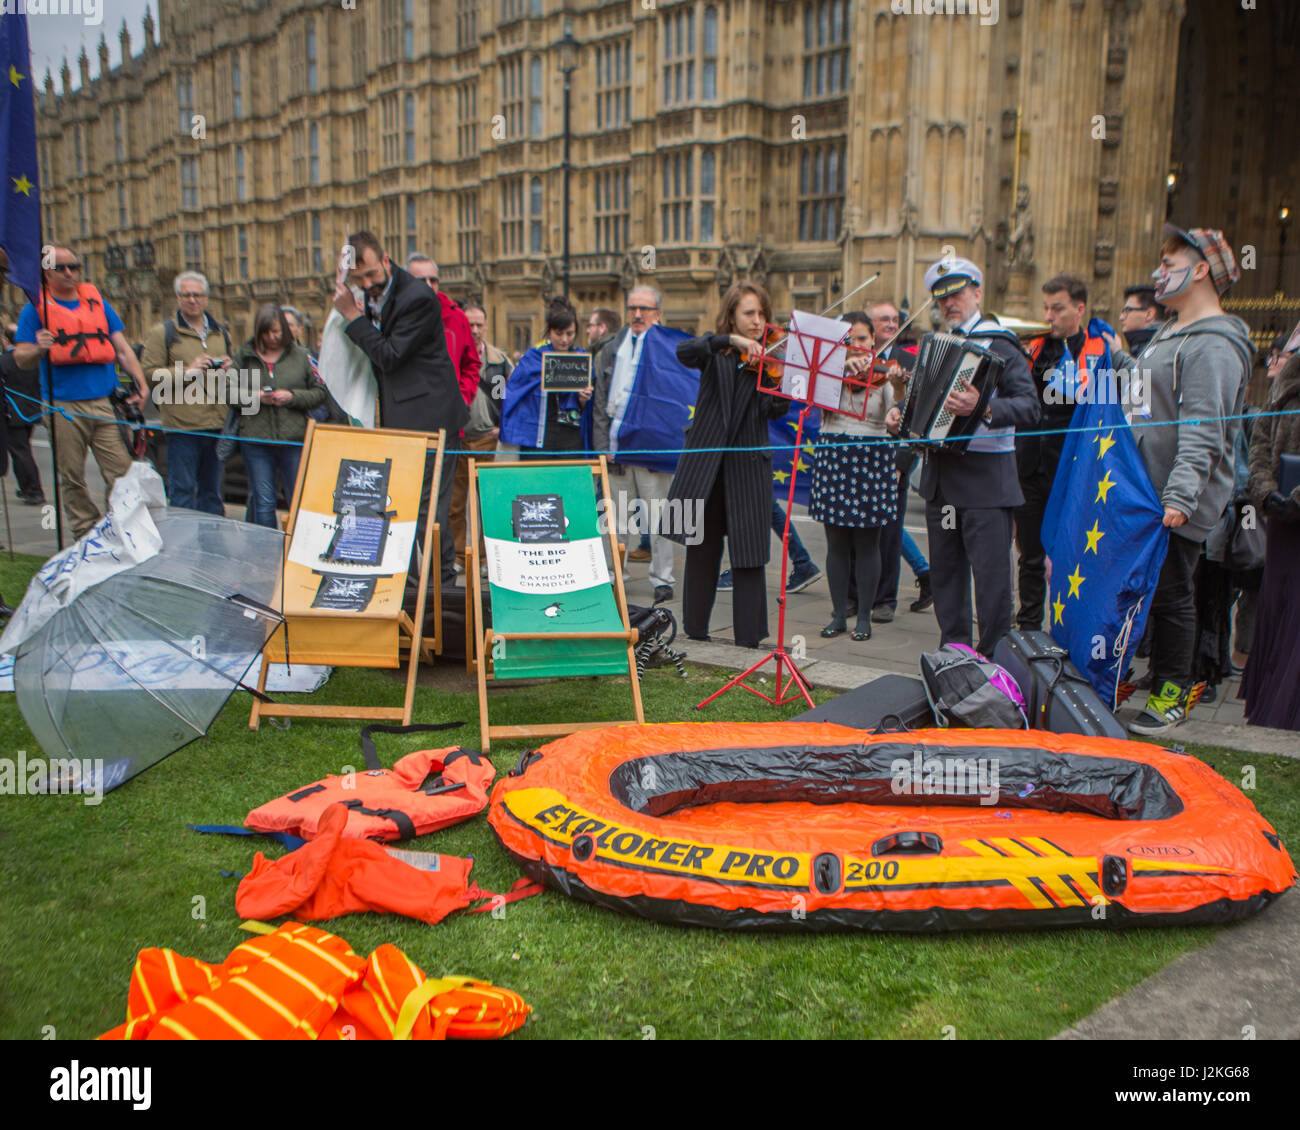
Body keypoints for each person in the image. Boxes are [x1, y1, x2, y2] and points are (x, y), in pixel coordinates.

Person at [1107, 225, 1254, 735]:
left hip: (1170, 501)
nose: (1156, 274)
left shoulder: (1214, 345)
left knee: (1172, 596)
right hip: (1142, 493)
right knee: (1145, 594)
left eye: (1168, 264)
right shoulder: (1172, 335)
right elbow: (1150, 406)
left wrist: (1180, 499)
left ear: (1200, 271)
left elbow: (1203, 431)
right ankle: (1145, 678)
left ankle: (1173, 693)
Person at [895, 257, 1039, 658]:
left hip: (985, 482)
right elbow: (923, 407)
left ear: (977, 293)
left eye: (957, 294)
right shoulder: (940, 344)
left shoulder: (1001, 342)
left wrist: (984, 407)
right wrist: (902, 414)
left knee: (992, 583)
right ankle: (954, 658)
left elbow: (1029, 407)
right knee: (947, 577)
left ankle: (993, 661)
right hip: (942, 482)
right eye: (941, 299)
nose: (949, 304)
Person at [333, 232, 467, 585]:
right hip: (400, 417)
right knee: (402, 505)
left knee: (429, 509)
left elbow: (390, 356)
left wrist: (352, 316)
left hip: (430, 415)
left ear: (387, 261)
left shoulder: (418, 297)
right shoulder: (375, 295)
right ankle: (407, 584)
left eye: (372, 275)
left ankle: (443, 585)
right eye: (358, 279)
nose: (366, 284)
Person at [665, 281, 790, 647]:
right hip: (706, 468)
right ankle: (696, 629)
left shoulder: (770, 360)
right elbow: (683, 351)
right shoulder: (715, 353)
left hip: (747, 466)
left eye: (761, 313)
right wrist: (731, 342)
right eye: (748, 313)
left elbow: (773, 412)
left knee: (749, 553)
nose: (756, 320)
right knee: (701, 548)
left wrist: (781, 385)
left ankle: (750, 637)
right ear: (732, 316)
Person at [11, 242, 148, 538]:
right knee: (72, 477)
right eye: (61, 268)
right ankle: (86, 533)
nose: (70, 273)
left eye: (75, 267)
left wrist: (139, 381)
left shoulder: (97, 303)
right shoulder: (34, 310)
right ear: (46, 273)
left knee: (122, 472)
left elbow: (121, 348)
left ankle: (124, 530)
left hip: (104, 403)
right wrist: (39, 348)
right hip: (63, 407)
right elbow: (21, 358)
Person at [1015, 274, 1111, 632]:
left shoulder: (1100, 349)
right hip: (1029, 466)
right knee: (1029, 556)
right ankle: (1027, 626)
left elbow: (1112, 405)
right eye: (1046, 308)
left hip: (1072, 470)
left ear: (1079, 308)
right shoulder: (1034, 347)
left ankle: (1070, 627)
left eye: (1057, 308)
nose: (1049, 316)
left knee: (1071, 554)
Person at [809, 311, 897, 641]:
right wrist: (838, 369)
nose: (856, 346)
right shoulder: (828, 375)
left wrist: (898, 384)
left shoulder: (884, 376)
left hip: (872, 455)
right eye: (848, 341)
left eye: (862, 338)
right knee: (836, 543)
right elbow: (811, 397)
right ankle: (838, 614)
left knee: (867, 543)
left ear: (873, 340)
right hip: (834, 453)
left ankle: (864, 617)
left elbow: (897, 419)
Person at [592, 286, 681, 603]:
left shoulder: (669, 349)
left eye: (644, 309)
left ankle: (662, 576)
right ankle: (614, 573)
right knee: (613, 516)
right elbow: (600, 402)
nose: (637, 315)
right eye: (632, 308)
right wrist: (602, 444)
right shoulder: (610, 348)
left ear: (658, 313)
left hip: (652, 445)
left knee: (659, 514)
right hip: (617, 441)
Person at [408, 255, 482, 570]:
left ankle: (441, 569)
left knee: (444, 502)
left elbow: (471, 364)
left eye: (433, 280)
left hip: (449, 425)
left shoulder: (456, 318)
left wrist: (462, 399)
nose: (428, 286)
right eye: (420, 280)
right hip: (410, 424)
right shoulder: (398, 317)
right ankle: (413, 569)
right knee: (412, 502)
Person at [140, 272, 232, 515]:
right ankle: (183, 547)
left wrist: (229, 368)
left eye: (197, 295)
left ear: (206, 298)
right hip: (183, 426)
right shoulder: (163, 332)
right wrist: (188, 371)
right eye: (186, 295)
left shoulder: (221, 333)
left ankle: (211, 546)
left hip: (215, 424)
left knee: (212, 493)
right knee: (182, 491)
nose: (192, 300)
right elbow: (149, 374)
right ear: (178, 299)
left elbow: (235, 376)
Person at [1241, 352, 1300, 729]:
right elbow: (1261, 441)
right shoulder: (1287, 378)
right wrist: (1266, 492)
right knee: (1279, 607)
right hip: (1281, 521)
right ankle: (1269, 703)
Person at [866, 298, 929, 622]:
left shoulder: (906, 359)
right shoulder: (860, 358)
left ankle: (885, 599)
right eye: (884, 319)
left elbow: (916, 410)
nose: (892, 324)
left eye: (895, 319)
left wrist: (905, 459)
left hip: (895, 453)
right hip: (863, 453)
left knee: (890, 529)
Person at [232, 304, 323, 528]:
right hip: (256, 440)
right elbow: (228, 392)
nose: (273, 337)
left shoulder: (301, 356)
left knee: (298, 500)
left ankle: (297, 551)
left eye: (278, 331)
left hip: (293, 440)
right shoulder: (245, 356)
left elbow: (320, 392)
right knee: (264, 502)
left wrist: (292, 397)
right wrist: (256, 397)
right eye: (267, 332)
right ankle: (266, 554)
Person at [499, 298, 592, 460]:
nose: (564, 340)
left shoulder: (582, 358)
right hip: (537, 438)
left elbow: (588, 407)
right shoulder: (532, 358)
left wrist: (583, 399)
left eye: (570, 334)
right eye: (559, 334)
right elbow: (512, 394)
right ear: (549, 332)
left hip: (570, 436)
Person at [451, 302, 510, 558]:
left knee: (489, 504)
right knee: (455, 504)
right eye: (469, 324)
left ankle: (488, 557)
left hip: (489, 440)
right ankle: (458, 557)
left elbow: (510, 399)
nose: (474, 330)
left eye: (478, 324)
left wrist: (503, 427)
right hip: (458, 441)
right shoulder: (451, 356)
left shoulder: (499, 361)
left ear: (485, 326)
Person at [0, 317, 45, 506]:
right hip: (31, 410)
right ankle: (27, 487)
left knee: (20, 451)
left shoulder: (5, 361)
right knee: (24, 449)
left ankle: (33, 489)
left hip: (13, 411)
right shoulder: (34, 360)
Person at [1118, 284, 1166, 354]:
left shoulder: (1159, 349)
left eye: (1127, 310)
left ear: (1149, 314)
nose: (1121, 317)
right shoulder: (1142, 345)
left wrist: (1117, 353)